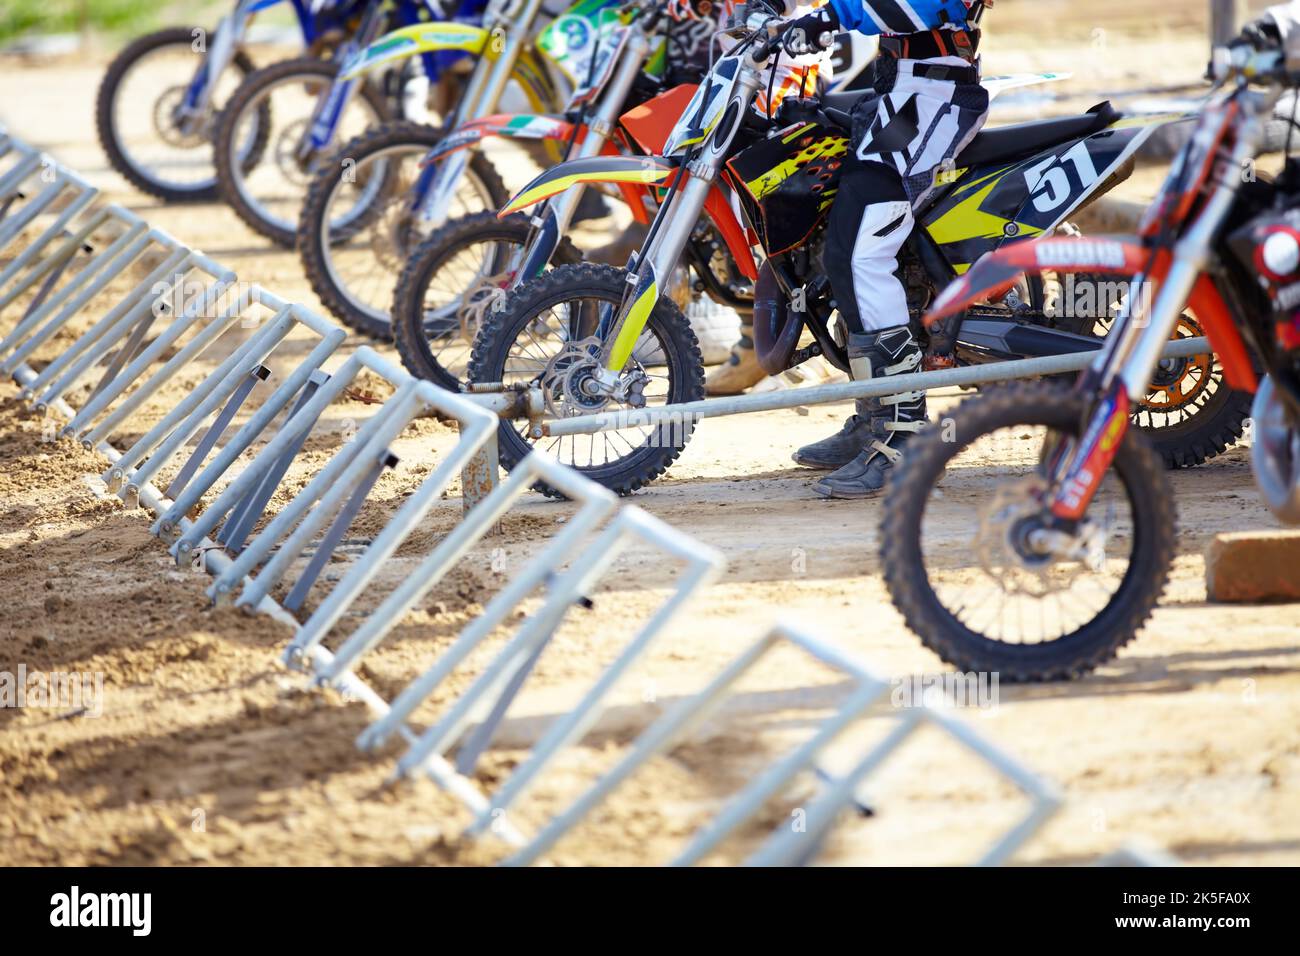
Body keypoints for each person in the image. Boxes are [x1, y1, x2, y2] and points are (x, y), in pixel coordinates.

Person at [769, 0, 990, 499]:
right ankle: (874, 416)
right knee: (838, 248)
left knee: (861, 253)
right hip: (899, 90)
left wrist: (830, 18)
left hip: (933, 98)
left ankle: (903, 436)